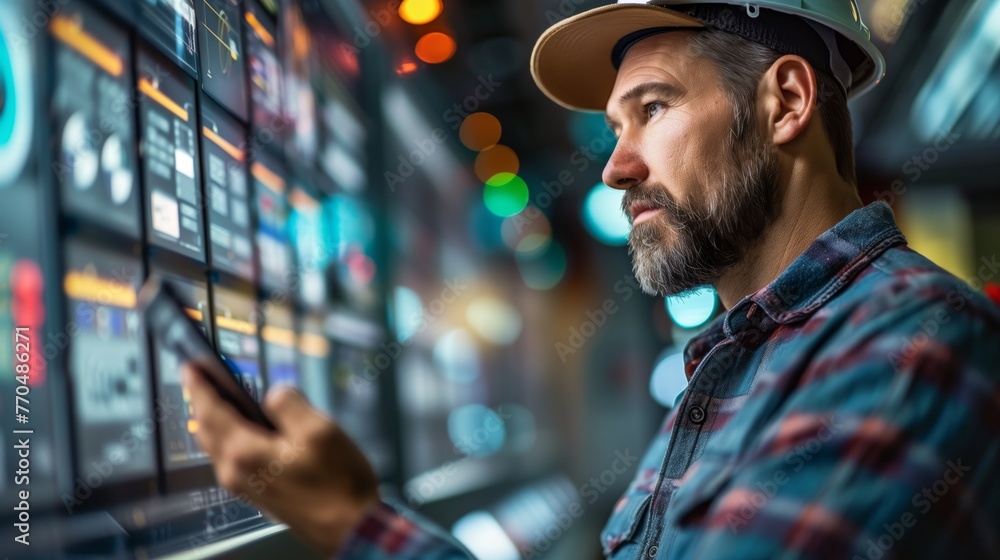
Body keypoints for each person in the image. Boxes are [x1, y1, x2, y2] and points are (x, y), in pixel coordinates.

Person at [182, 1, 1000, 558]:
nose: (616, 167)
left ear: (786, 101)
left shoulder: (911, 340)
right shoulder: (734, 368)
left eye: (653, 109)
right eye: (616, 126)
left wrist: (353, 522)